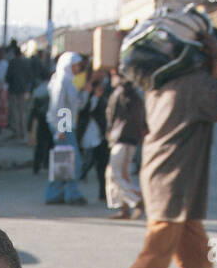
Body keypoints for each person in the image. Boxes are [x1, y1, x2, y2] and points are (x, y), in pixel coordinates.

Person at [77, 35, 217, 268]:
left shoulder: (164, 81)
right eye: (215, 57)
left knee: (199, 258)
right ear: (204, 54)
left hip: (173, 185)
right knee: (153, 263)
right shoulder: (196, 86)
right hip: (172, 186)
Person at [44, 52, 89, 205]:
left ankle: (54, 194)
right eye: (75, 65)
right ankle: (72, 194)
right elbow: (59, 104)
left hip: (64, 124)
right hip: (64, 125)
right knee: (72, 161)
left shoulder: (64, 79)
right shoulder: (63, 81)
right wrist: (60, 129)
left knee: (63, 161)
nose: (78, 68)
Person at [105, 68, 146, 219]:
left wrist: (109, 133)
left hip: (121, 138)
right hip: (131, 139)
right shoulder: (135, 94)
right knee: (123, 174)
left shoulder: (119, 93)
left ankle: (136, 200)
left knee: (114, 174)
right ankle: (124, 207)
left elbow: (111, 115)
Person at [77, 74, 111, 202]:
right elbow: (79, 109)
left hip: (100, 137)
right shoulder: (85, 97)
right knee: (87, 161)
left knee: (101, 166)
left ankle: (103, 193)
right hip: (87, 136)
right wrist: (63, 129)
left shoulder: (104, 99)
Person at [6, 42, 34, 141]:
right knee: (23, 112)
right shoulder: (26, 62)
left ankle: (16, 132)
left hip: (14, 90)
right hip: (24, 90)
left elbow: (8, 76)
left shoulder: (12, 62)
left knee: (15, 112)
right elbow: (30, 76)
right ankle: (23, 132)